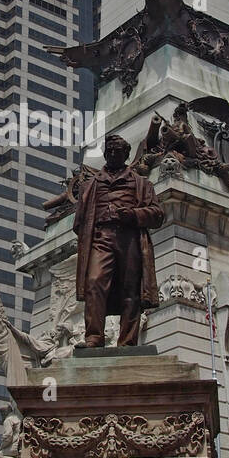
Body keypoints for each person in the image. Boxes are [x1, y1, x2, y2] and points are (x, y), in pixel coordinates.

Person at [73, 133, 163, 346]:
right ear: (105, 154)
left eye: (117, 150)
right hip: (100, 238)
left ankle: (128, 342)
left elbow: (157, 214)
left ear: (126, 154)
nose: (113, 154)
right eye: (109, 150)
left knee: (130, 290)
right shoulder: (90, 185)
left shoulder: (141, 184)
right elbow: (79, 222)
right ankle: (94, 337)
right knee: (94, 282)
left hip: (129, 237)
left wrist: (132, 215)